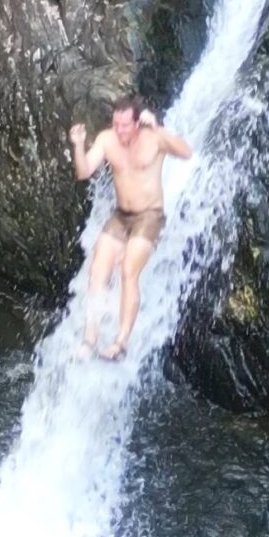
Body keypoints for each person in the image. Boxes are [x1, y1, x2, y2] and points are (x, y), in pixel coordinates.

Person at [70, 97, 193, 360]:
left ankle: (121, 343)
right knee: (98, 269)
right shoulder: (107, 139)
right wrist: (79, 145)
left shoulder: (154, 139)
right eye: (116, 124)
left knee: (128, 271)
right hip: (121, 215)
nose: (120, 130)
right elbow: (83, 172)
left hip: (149, 216)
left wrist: (159, 129)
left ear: (138, 123)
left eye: (125, 125)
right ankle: (90, 339)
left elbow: (186, 152)